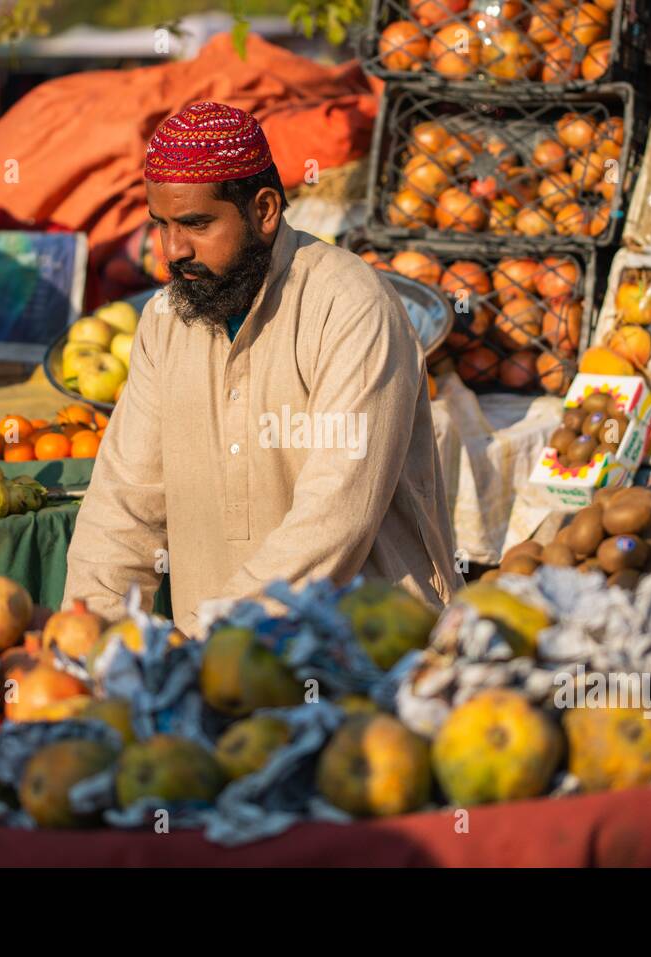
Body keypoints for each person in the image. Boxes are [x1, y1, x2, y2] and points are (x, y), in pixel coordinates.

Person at [64, 101, 457, 635]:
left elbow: (337, 516)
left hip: (368, 651)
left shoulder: (352, 306)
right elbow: (123, 506)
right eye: (162, 225)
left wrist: (213, 633)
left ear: (265, 211)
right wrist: (87, 637)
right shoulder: (165, 321)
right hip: (220, 666)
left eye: (196, 223)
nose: (173, 251)